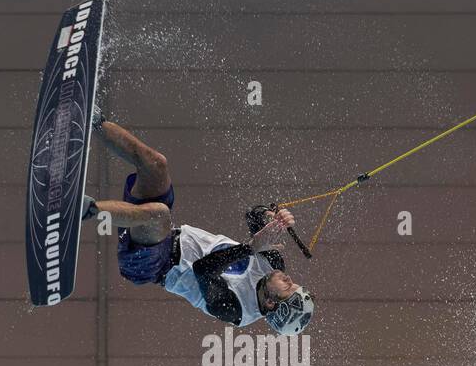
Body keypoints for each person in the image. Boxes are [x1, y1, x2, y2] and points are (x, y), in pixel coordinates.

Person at [82, 117, 315, 334]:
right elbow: (252, 216)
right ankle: (91, 119)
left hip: (151, 265)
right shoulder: (274, 264)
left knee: (158, 214)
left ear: (271, 302)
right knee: (155, 164)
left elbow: (202, 269)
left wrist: (251, 247)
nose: (288, 279)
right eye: (294, 283)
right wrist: (270, 215)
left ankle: (82, 210)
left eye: (288, 287)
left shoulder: (235, 310)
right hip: (164, 233)